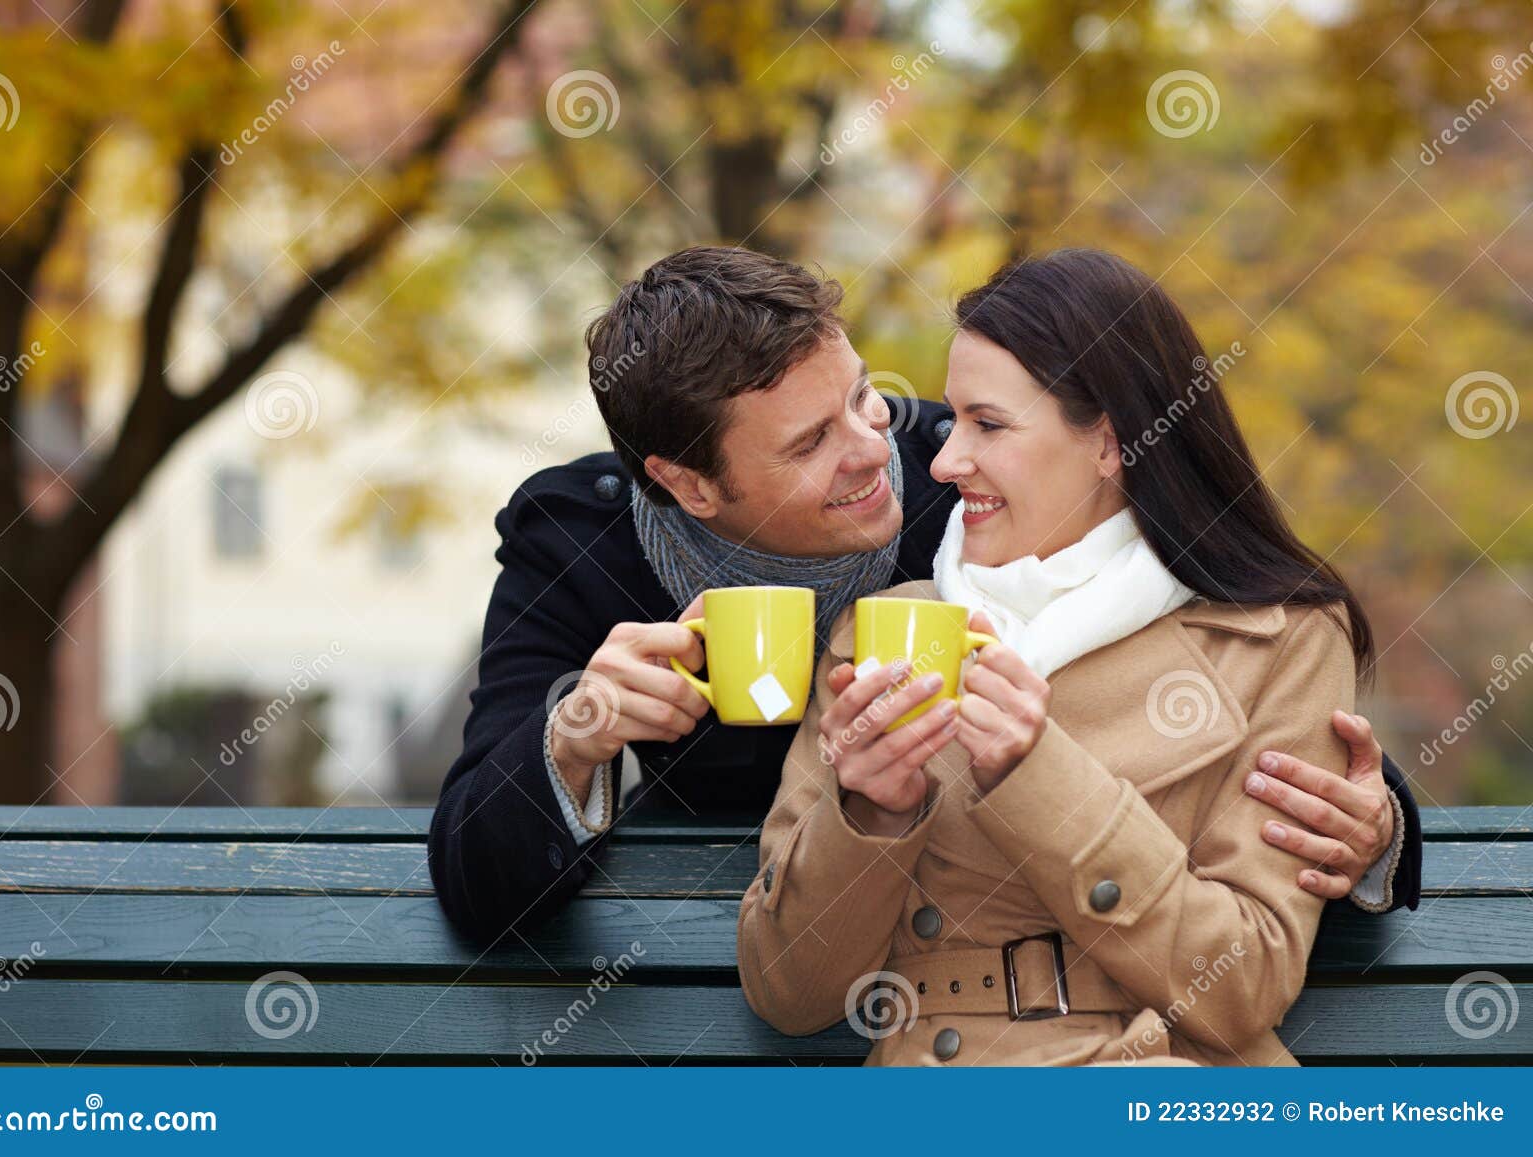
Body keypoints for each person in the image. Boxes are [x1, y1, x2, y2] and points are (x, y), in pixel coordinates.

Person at [427, 246, 1418, 946]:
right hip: (768, 952)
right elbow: (475, 872)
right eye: (810, 442)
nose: (876, 450)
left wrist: (1377, 825)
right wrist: (577, 734)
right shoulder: (579, 546)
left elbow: (1209, 629)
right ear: (688, 483)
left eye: (861, 395)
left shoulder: (961, 471)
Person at [737, 247, 1391, 1065]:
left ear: (1112, 442)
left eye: (989, 424)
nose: (942, 462)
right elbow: (787, 993)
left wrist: (1038, 772)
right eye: (952, 422)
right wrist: (870, 812)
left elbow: (1240, 989)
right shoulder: (889, 633)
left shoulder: (1280, 638)